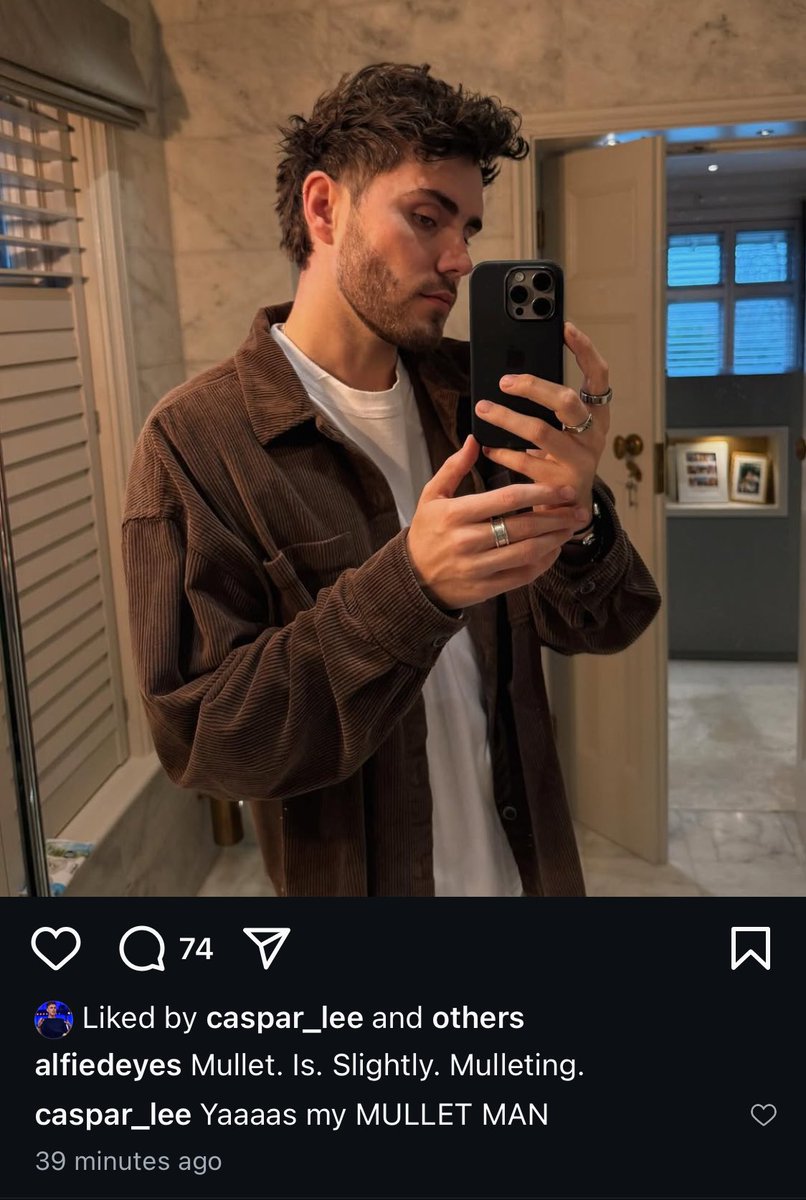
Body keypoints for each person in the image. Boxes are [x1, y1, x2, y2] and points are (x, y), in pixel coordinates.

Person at [123, 63, 661, 898]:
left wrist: (581, 516)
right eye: (425, 217)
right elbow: (206, 744)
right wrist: (413, 587)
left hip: (531, 878)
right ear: (324, 208)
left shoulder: (479, 400)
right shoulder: (198, 442)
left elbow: (609, 621)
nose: (460, 259)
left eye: (468, 228)